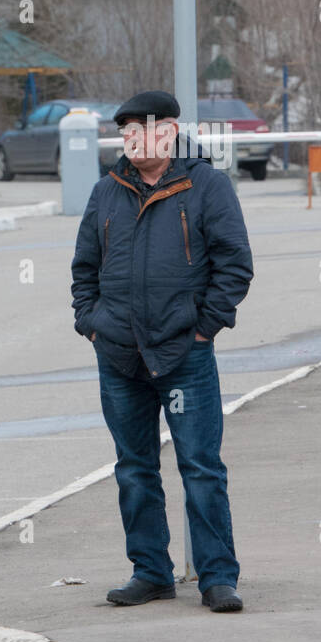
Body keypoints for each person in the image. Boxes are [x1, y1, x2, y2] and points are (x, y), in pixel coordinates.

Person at [70, 89, 254, 611]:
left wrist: (205, 329)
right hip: (120, 358)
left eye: (143, 130)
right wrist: (91, 324)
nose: (132, 140)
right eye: (125, 132)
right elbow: (84, 268)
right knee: (134, 468)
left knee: (200, 466)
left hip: (185, 357)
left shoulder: (207, 186)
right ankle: (150, 571)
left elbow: (235, 264)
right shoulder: (106, 191)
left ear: (169, 133)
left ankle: (218, 577)